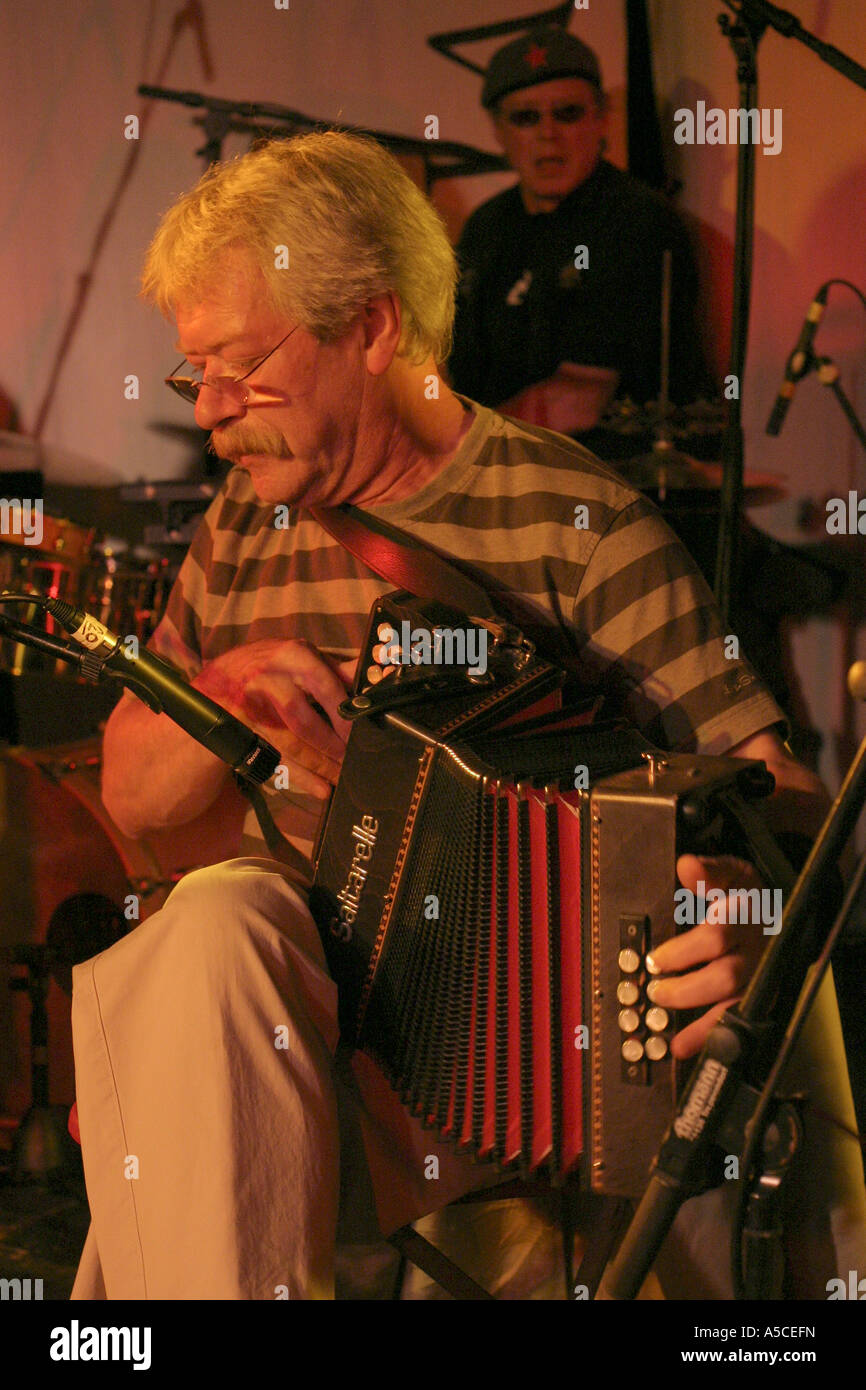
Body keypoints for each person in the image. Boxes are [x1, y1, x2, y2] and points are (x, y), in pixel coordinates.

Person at [69, 130, 863, 1300]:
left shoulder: (569, 521)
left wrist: (735, 916)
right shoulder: (239, 523)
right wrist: (223, 695)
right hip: (289, 1057)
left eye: (240, 366)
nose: (216, 410)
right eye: (197, 375)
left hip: (512, 1062)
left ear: (374, 330)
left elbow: (780, 805)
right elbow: (129, 798)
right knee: (217, 915)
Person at [448, 26, 713, 442]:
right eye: (525, 117)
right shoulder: (487, 227)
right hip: (509, 472)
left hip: (612, 476)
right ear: (498, 131)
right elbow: (458, 370)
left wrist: (459, 449)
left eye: (567, 113)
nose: (548, 132)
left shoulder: (638, 221)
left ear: (602, 117)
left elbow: (576, 399)